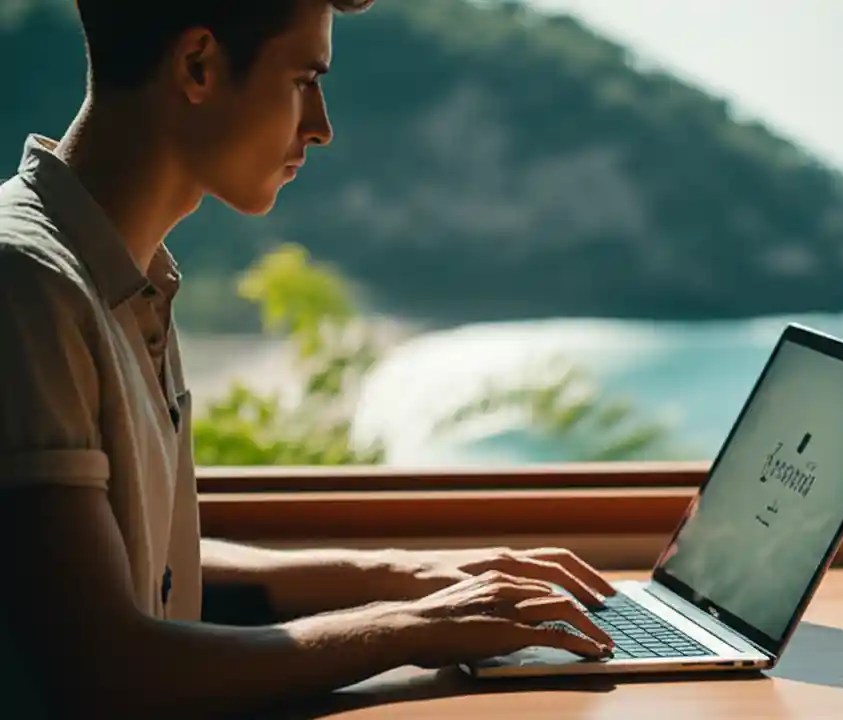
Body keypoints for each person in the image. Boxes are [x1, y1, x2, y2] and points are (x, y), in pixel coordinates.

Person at [0, 1, 616, 716]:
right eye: (304, 78)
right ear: (198, 66)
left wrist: (402, 575)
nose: (320, 125)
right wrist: (413, 628)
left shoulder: (120, 279)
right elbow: (108, 666)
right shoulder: (28, 285)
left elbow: (136, 569)